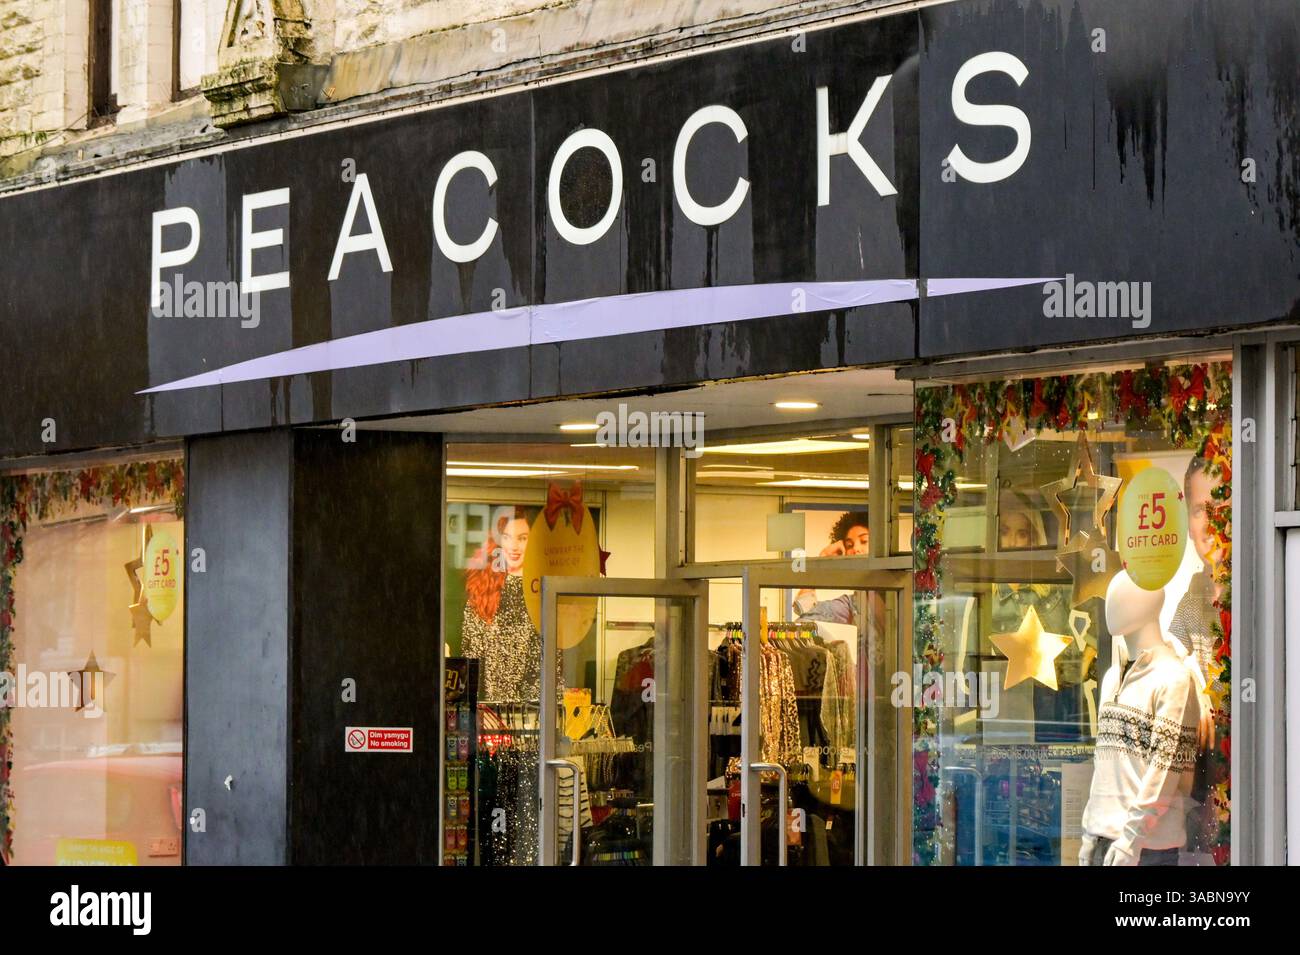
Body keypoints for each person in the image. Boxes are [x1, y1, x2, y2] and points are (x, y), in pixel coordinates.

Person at [461, 506, 545, 700]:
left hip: (531, 717)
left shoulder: (541, 593)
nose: (514, 547)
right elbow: (470, 663)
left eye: (522, 538)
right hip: (487, 715)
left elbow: (546, 669)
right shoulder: (481, 591)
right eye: (506, 537)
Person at [794, 511, 874, 625]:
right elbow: (805, 614)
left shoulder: (900, 588)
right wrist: (822, 558)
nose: (856, 549)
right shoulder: (852, 604)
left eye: (864, 541)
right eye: (849, 545)